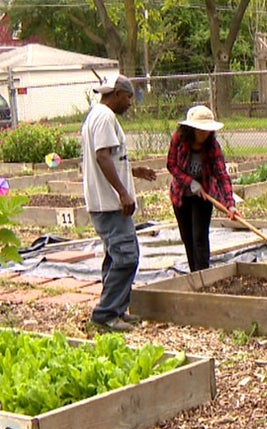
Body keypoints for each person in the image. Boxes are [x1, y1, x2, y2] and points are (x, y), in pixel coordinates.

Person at [82, 74, 158, 333]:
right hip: (110, 204)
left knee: (115, 258)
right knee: (127, 257)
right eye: (128, 97)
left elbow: (110, 158)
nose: (130, 103)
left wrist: (133, 171)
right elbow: (102, 156)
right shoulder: (104, 117)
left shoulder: (96, 115)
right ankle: (105, 315)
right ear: (116, 93)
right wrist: (123, 193)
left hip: (105, 203)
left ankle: (116, 310)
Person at [166, 105, 238, 272]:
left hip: (203, 196)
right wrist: (190, 181)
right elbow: (171, 165)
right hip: (181, 194)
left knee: (199, 237)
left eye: (207, 130)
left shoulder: (212, 146)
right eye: (200, 130)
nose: (204, 134)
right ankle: (194, 274)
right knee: (188, 238)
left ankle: (204, 275)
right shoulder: (179, 139)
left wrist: (230, 204)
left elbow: (221, 176)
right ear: (191, 129)